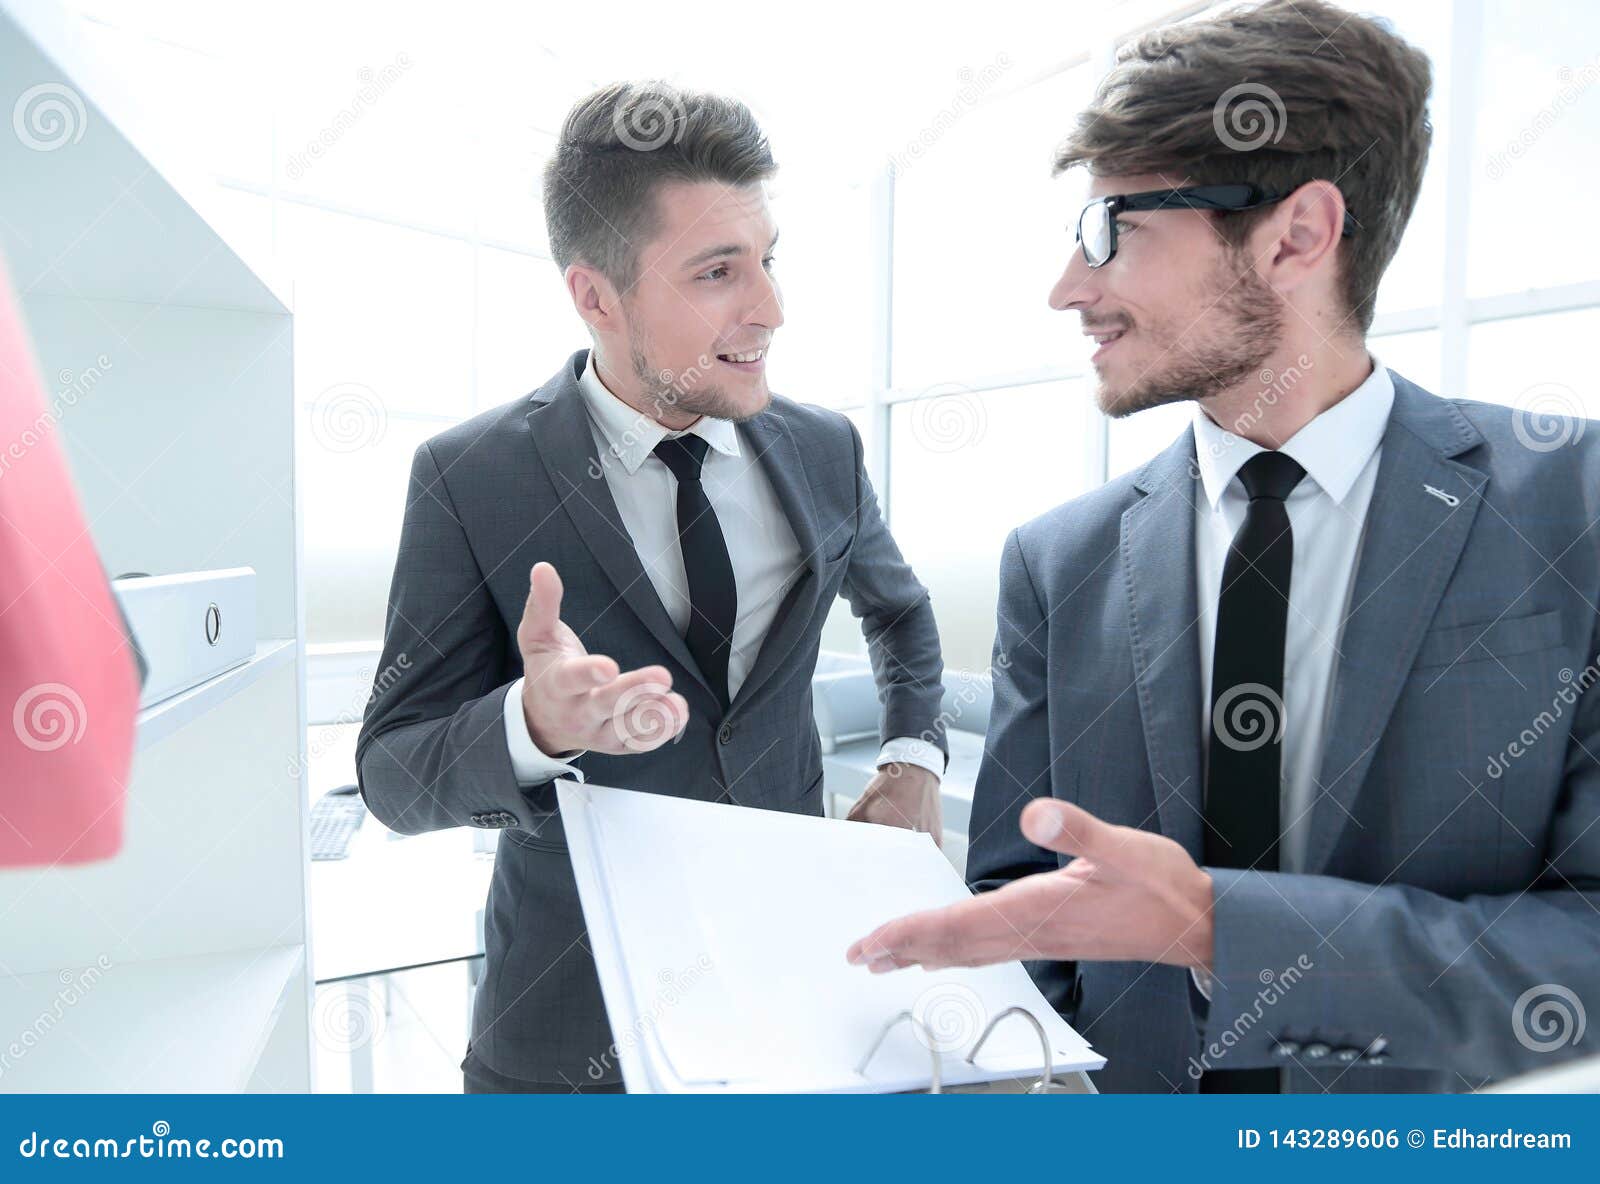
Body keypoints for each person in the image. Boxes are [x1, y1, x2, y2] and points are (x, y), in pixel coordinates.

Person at [847, 0, 1600, 1094]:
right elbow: (1025, 910)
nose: (1067, 286)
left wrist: (1217, 927)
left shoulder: (1570, 507)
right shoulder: (1059, 563)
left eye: (1114, 229)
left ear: (1295, 235)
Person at [357, 81, 948, 1092]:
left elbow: (899, 611)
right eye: (718, 272)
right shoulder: (471, 475)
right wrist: (529, 726)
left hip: (792, 993)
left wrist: (910, 756)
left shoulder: (822, 449)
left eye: (767, 259)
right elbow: (392, 775)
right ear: (597, 295)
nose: (769, 308)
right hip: (568, 1022)